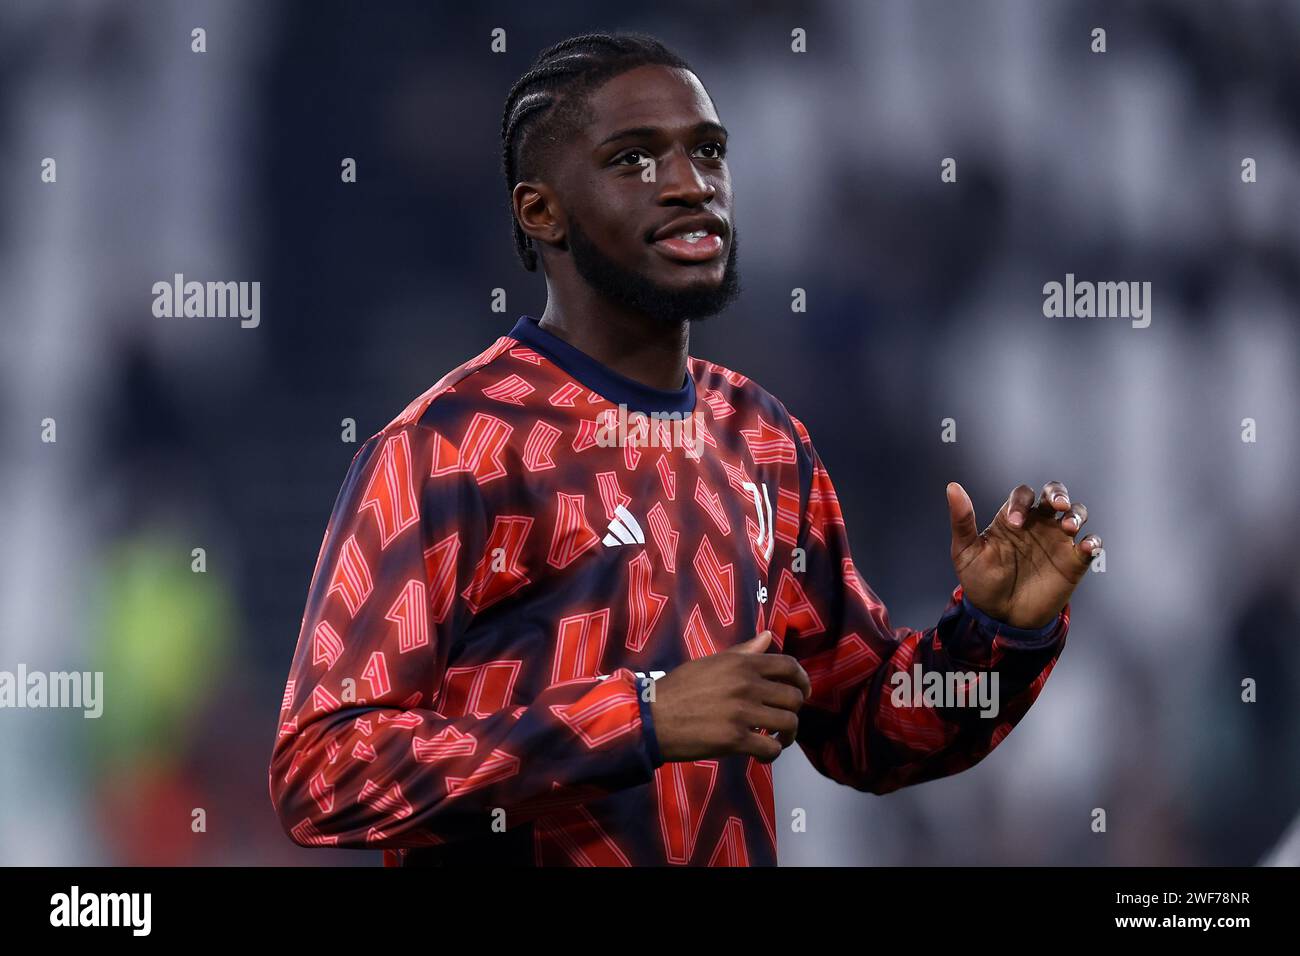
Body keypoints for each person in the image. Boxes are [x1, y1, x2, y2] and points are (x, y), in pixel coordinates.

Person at [268, 31, 1102, 866]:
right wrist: (640, 718)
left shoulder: (763, 440)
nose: (690, 184)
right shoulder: (448, 449)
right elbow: (324, 772)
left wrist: (996, 638)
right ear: (541, 211)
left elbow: (869, 730)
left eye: (708, 152)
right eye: (634, 159)